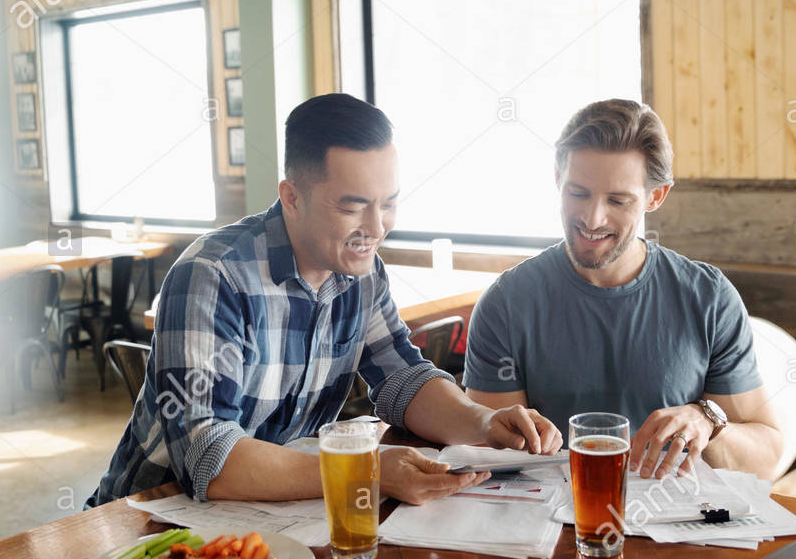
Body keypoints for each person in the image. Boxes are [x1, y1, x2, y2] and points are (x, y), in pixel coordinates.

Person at [88, 93, 561, 507]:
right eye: (353, 206)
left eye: (388, 203)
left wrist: (483, 423)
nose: (376, 228)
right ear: (292, 197)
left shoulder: (361, 269)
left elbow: (403, 379)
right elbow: (207, 455)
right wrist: (364, 470)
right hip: (150, 521)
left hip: (272, 515)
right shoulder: (212, 275)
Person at [464, 99, 784, 480]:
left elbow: (764, 460)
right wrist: (512, 441)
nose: (591, 218)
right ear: (556, 178)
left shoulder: (708, 297)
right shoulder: (507, 302)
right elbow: (488, 456)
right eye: (578, 193)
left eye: (617, 200)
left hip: (678, 525)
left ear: (656, 196)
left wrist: (708, 421)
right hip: (553, 521)